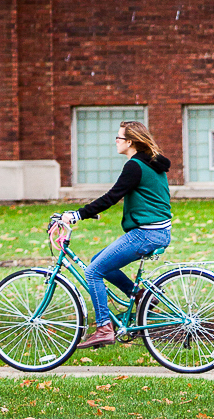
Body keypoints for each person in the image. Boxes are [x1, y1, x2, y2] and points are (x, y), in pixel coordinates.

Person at [61, 121, 173, 349]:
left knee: (92, 271)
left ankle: (104, 328)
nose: (116, 141)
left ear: (130, 142)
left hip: (146, 233)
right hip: (159, 231)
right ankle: (141, 296)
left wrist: (77, 215)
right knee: (99, 262)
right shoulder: (151, 162)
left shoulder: (135, 166)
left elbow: (112, 196)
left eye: (119, 137)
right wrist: (89, 212)